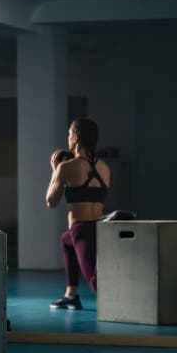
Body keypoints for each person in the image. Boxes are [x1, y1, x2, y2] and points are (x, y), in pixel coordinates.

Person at [45, 118, 110, 310]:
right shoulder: (104, 167)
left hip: (81, 230)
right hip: (99, 228)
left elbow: (51, 201)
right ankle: (71, 295)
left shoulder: (67, 168)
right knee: (66, 240)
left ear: (75, 137)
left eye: (68, 134)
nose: (68, 138)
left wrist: (55, 170)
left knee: (96, 283)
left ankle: (121, 307)